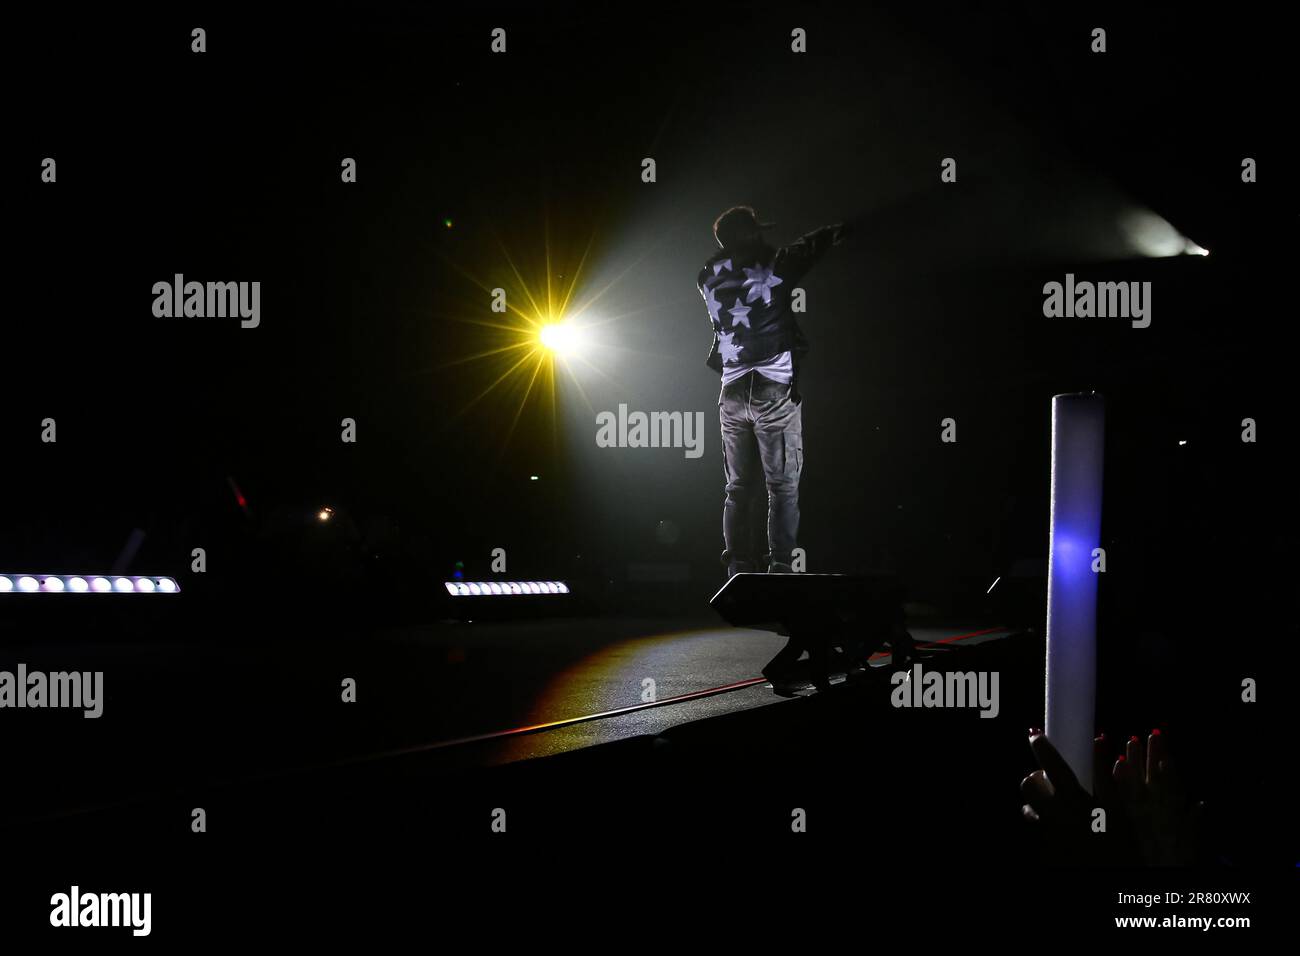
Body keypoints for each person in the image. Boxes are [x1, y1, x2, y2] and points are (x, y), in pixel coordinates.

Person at [697, 206, 851, 578]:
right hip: (772, 389)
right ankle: (781, 568)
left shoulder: (706, 277)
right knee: (782, 487)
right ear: (750, 235)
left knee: (737, 488)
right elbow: (803, 250)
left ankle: (737, 568)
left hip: (731, 390)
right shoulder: (773, 268)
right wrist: (837, 229)